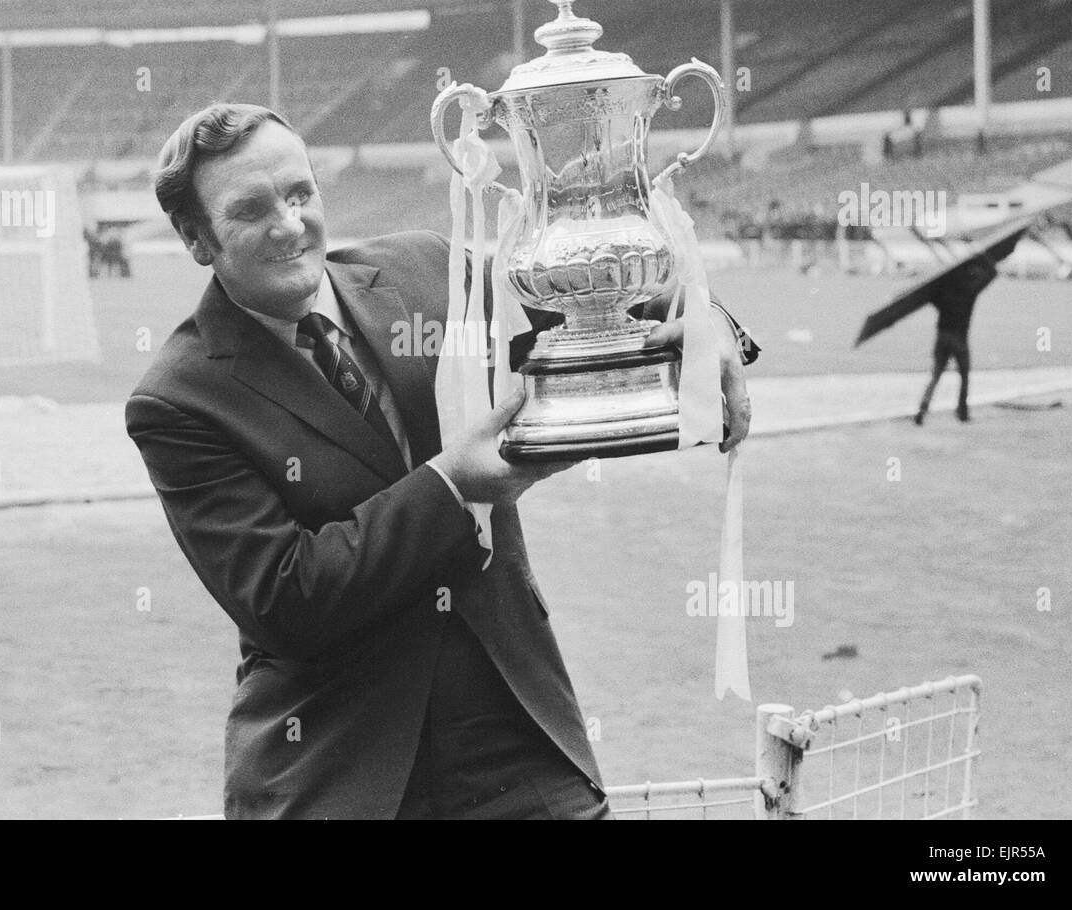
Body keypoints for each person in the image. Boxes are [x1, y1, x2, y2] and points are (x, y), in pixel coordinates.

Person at [125, 103, 759, 820]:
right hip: (342, 770)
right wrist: (450, 484)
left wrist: (706, 322)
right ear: (194, 238)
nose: (290, 224)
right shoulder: (179, 398)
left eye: (300, 193)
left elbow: (590, 307)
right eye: (251, 210)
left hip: (517, 733)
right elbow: (287, 600)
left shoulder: (427, 272)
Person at [915, 257, 997, 425]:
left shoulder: (942, 291)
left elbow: (927, 295)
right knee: (964, 377)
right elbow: (991, 274)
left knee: (936, 375)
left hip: (942, 337)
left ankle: (923, 408)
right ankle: (962, 412)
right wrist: (983, 257)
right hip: (959, 339)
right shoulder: (969, 290)